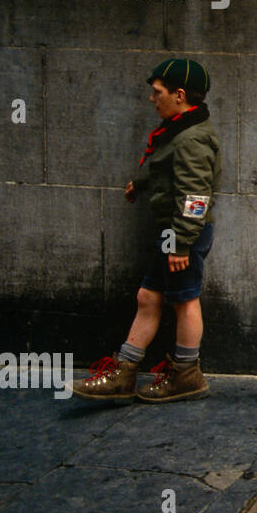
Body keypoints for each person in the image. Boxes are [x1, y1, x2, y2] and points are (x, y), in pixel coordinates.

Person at [73, 58, 222, 403]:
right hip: (173, 233)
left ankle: (187, 373)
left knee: (184, 301)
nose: (152, 99)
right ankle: (124, 372)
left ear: (179, 95)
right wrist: (138, 183)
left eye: (157, 93)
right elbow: (163, 167)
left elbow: (197, 197)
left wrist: (182, 245)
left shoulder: (192, 139)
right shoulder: (179, 130)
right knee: (148, 297)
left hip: (183, 234)